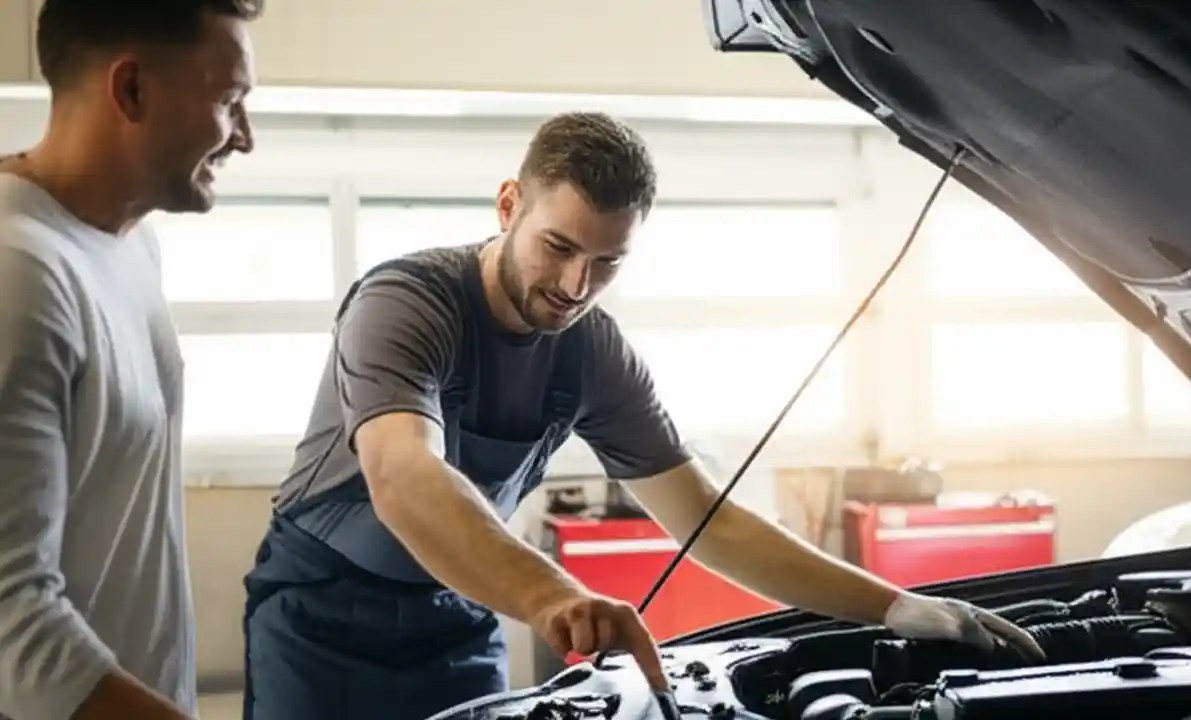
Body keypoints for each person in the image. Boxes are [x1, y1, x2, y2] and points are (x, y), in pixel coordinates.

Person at [242, 112, 1044, 720]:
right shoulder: (405, 302)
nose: (575, 286)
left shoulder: (592, 353)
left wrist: (898, 605)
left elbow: (710, 522)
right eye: (556, 247)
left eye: (607, 263)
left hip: (461, 616)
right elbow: (404, 476)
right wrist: (556, 594)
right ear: (508, 204)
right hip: (320, 621)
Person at [0, 0, 260, 717]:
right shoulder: (19, 273)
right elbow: (11, 626)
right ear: (131, 90)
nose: (246, 138)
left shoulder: (132, 244)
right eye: (230, 100)